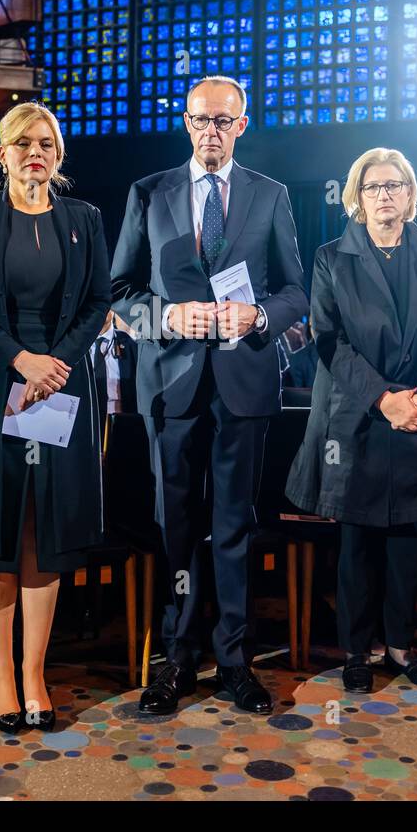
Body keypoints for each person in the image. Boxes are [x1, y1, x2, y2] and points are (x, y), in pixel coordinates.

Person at [110, 75, 308, 715]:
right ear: (187, 124)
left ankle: (234, 661)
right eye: (201, 121)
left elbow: (295, 292)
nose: (212, 131)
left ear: (241, 125)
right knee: (175, 528)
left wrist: (260, 319)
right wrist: (168, 317)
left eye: (224, 121)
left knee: (232, 529)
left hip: (243, 381)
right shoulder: (148, 192)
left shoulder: (272, 195)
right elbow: (118, 294)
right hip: (170, 386)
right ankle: (176, 659)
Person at [0, 102, 110, 733]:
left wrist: (54, 363)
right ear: (3, 153)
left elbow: (97, 302)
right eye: (21, 143)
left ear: (58, 154)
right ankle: (2, 676)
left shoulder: (85, 218)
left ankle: (35, 673)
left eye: (44, 143)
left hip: (61, 386)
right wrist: (19, 359)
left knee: (46, 526)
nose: (33, 151)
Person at [286, 148, 417, 694]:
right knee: (358, 542)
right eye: (373, 187)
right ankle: (355, 651)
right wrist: (385, 400)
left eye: (395, 186)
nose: (385, 195)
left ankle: (400, 646)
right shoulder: (331, 257)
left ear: (411, 195)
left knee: (408, 540)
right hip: (357, 420)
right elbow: (329, 339)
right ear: (356, 197)